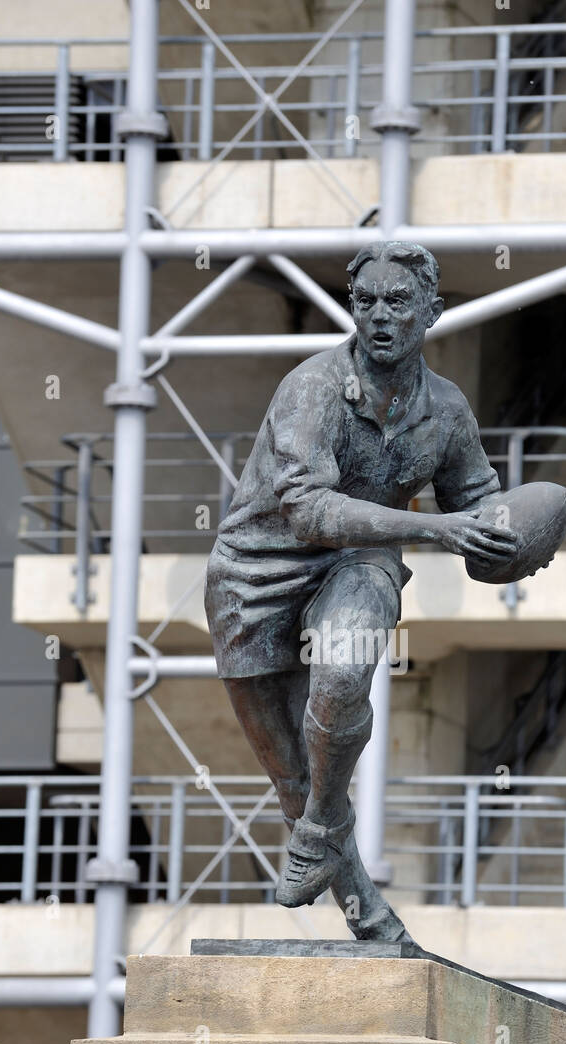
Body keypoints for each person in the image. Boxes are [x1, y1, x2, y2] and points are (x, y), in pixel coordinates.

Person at [205, 241, 518, 940]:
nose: (378, 316)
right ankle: (374, 924)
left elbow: (477, 497)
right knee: (293, 777)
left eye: (397, 302)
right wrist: (440, 532)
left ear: (430, 314)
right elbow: (309, 511)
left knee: (343, 671)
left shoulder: (446, 410)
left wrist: (513, 541)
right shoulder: (312, 388)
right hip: (252, 578)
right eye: (366, 301)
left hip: (358, 562)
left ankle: (321, 825)